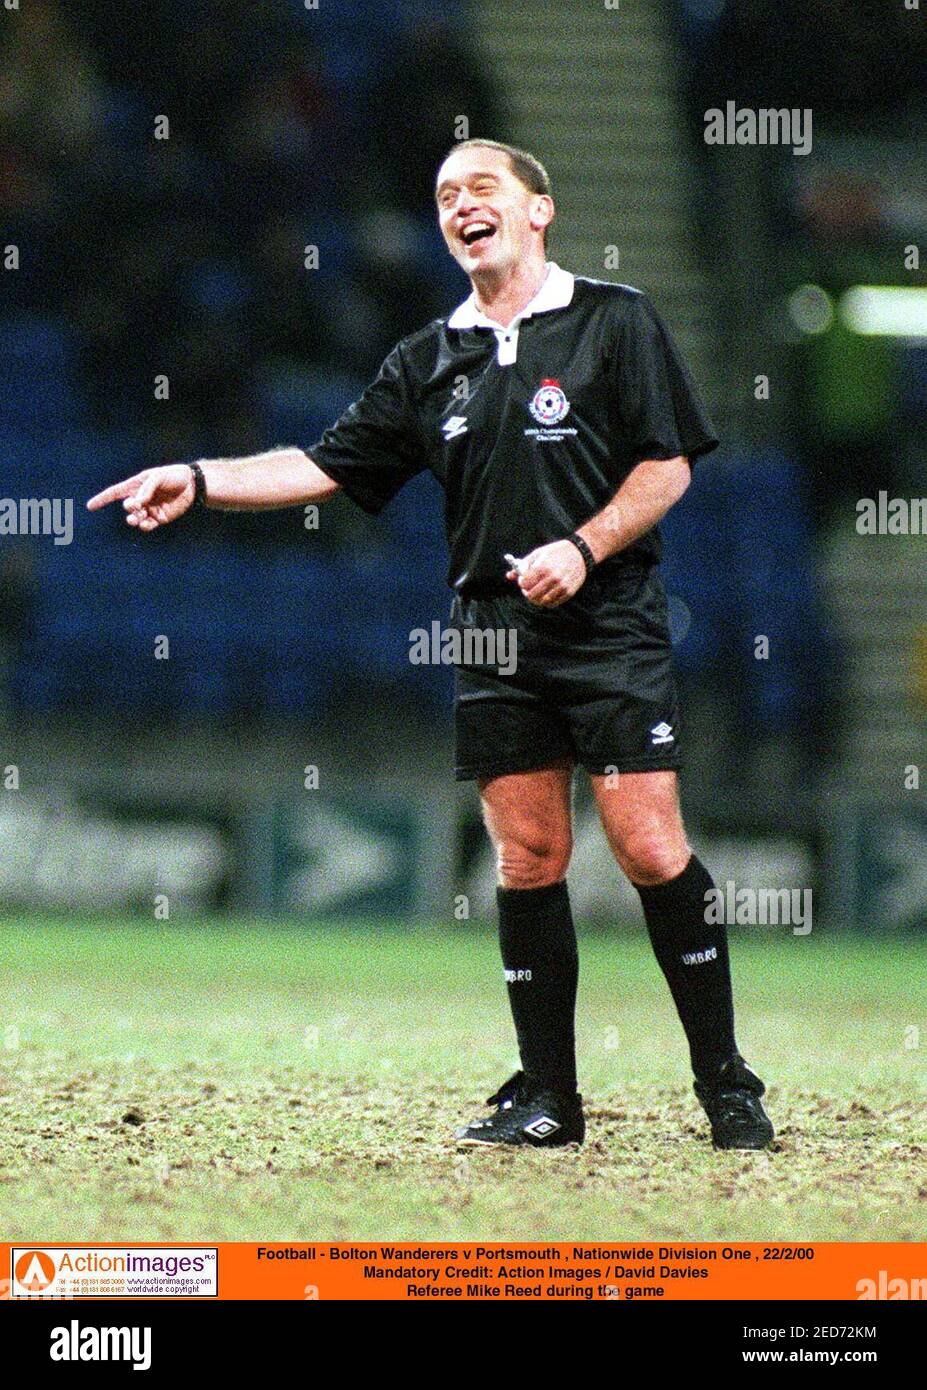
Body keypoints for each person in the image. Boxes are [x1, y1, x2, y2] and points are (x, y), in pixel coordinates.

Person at [88, 138, 775, 1152]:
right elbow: (320, 464)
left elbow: (667, 468)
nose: (461, 204)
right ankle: (550, 1097)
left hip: (610, 619)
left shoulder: (613, 322)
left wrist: (584, 549)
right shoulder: (427, 359)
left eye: (482, 188)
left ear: (538, 209)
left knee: (646, 843)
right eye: (446, 193)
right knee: (530, 853)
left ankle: (726, 1085)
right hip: (494, 631)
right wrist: (197, 475)